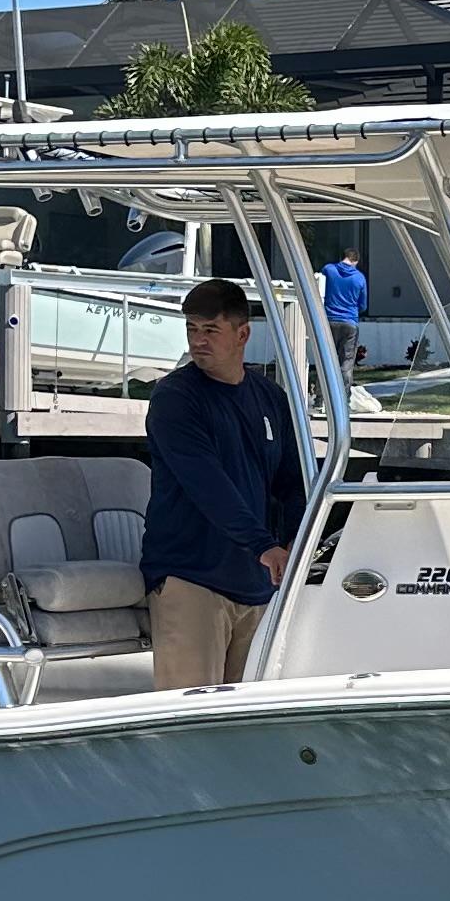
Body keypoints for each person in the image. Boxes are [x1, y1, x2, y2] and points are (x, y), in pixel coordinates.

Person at [140, 276, 304, 689]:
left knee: (247, 717)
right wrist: (264, 545)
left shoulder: (271, 398)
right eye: (192, 329)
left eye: (211, 330)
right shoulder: (175, 398)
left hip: (257, 583)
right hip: (190, 577)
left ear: (242, 334)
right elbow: (206, 483)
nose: (198, 340)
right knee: (189, 714)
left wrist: (293, 541)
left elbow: (293, 480)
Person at [320, 239, 369, 388]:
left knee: (327, 359)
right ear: (356, 261)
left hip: (329, 321)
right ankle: (344, 395)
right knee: (346, 362)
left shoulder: (329, 270)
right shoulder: (360, 278)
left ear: (342, 257)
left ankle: (321, 395)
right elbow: (363, 306)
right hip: (349, 322)